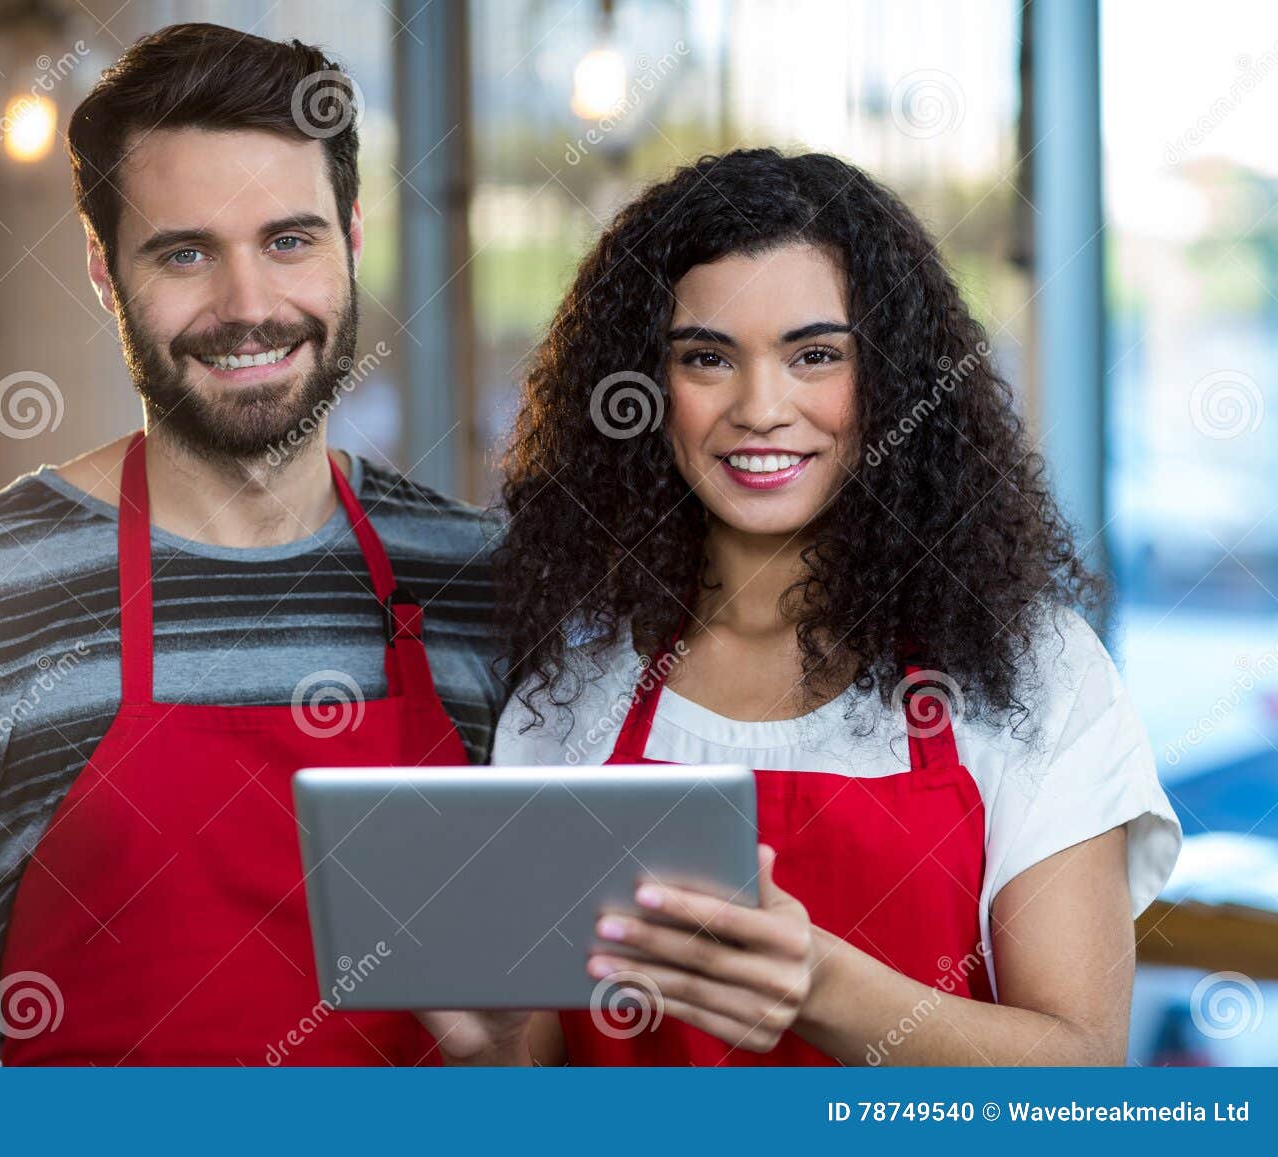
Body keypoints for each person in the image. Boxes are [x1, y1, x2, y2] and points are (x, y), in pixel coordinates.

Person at [0, 23, 511, 1067]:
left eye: (289, 240)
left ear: (352, 238)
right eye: (184, 252)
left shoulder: (482, 583)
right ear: (104, 272)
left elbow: (552, 1034)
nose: (247, 307)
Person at [488, 148, 1182, 1066]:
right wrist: (480, 1046)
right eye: (708, 358)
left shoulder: (1029, 671)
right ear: (650, 394)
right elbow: (531, 1083)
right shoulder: (572, 685)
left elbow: (1080, 1074)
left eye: (815, 354)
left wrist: (819, 987)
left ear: (892, 380)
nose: (761, 407)